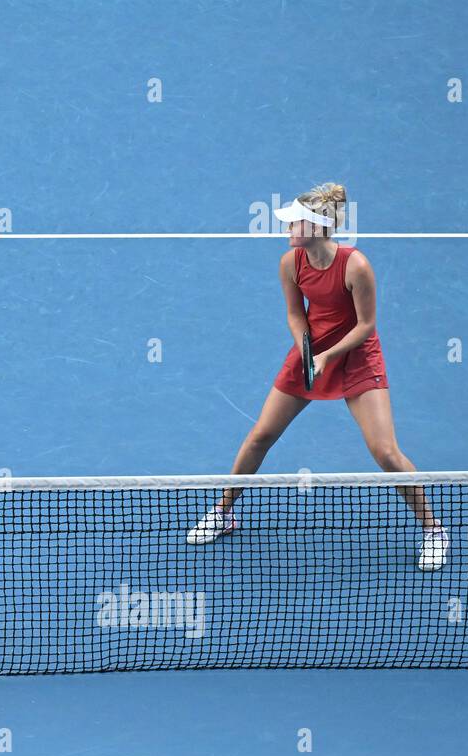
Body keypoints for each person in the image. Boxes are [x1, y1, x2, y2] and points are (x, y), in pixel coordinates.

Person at [187, 183, 449, 570]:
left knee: (385, 452)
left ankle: (433, 530)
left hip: (356, 357)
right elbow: (296, 313)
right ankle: (224, 511)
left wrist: (328, 355)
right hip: (312, 352)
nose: (288, 227)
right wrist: (307, 349)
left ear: (317, 227)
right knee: (260, 435)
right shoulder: (290, 262)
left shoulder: (356, 265)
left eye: (295, 222)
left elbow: (366, 325)